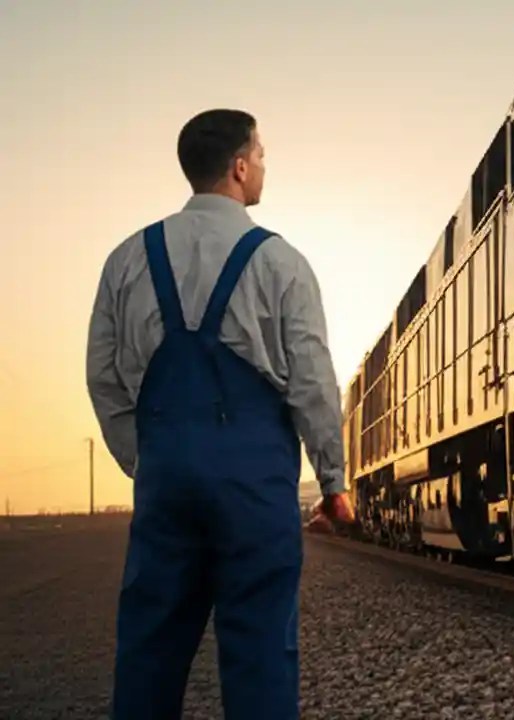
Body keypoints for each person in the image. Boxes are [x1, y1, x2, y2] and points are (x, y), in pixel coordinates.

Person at [85, 108, 355, 720]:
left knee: (149, 648)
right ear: (238, 167)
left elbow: (103, 375)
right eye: (260, 155)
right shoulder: (281, 262)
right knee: (260, 647)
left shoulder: (128, 258)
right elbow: (311, 381)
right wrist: (333, 481)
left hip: (166, 473)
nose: (263, 166)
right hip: (254, 482)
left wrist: (144, 456)